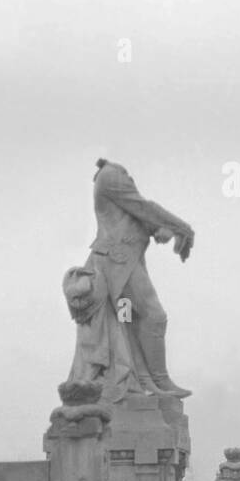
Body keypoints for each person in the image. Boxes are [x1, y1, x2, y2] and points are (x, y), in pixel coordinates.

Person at [64, 158, 195, 402]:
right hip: (117, 262)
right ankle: (157, 379)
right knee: (153, 316)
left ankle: (145, 381)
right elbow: (142, 207)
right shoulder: (111, 176)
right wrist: (182, 229)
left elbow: (134, 214)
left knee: (128, 320)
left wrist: (156, 229)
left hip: (123, 262)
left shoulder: (112, 177)